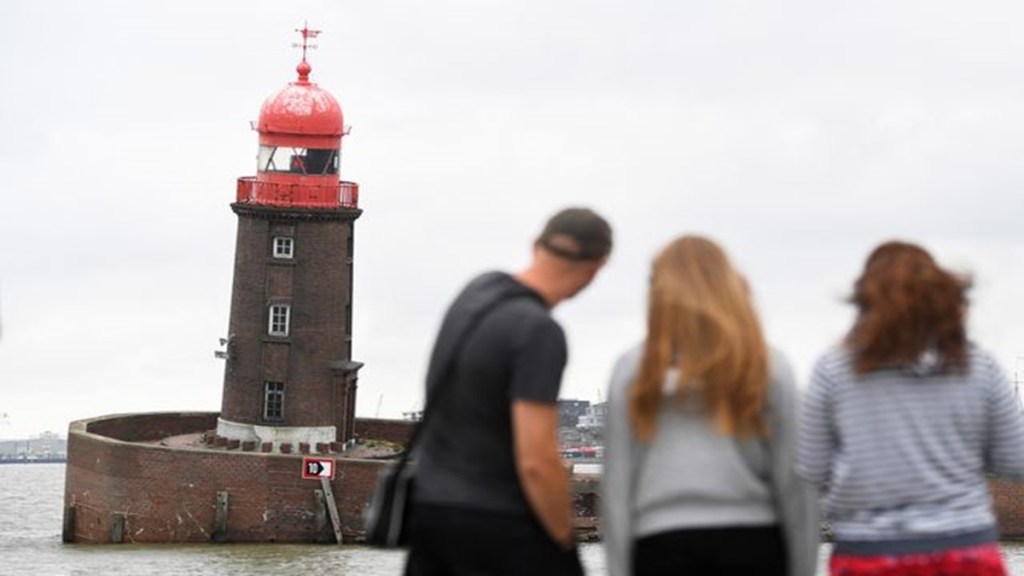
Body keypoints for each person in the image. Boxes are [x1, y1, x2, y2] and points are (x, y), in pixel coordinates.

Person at [404, 207, 613, 576]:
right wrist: (565, 544)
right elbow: (537, 459)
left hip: (430, 512)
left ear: (536, 244)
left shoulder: (475, 292)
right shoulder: (539, 332)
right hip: (496, 523)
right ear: (596, 268)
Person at [796, 241, 1024, 575]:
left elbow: (811, 470)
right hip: (964, 549)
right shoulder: (978, 366)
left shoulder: (834, 370)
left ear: (864, 300)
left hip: (870, 551)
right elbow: (1015, 460)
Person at [602, 235, 818, 576]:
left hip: (659, 540)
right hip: (753, 538)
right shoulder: (767, 365)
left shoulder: (634, 370)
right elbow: (794, 478)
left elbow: (616, 485)